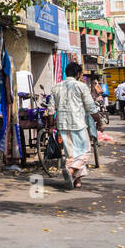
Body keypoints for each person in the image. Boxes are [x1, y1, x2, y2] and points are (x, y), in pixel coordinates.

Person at [49, 62, 103, 190]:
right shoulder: (81, 86)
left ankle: (77, 181)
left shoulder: (56, 87)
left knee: (72, 154)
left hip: (62, 125)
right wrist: (99, 121)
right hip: (78, 123)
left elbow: (51, 109)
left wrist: (51, 125)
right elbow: (90, 106)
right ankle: (71, 170)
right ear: (78, 74)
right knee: (85, 151)